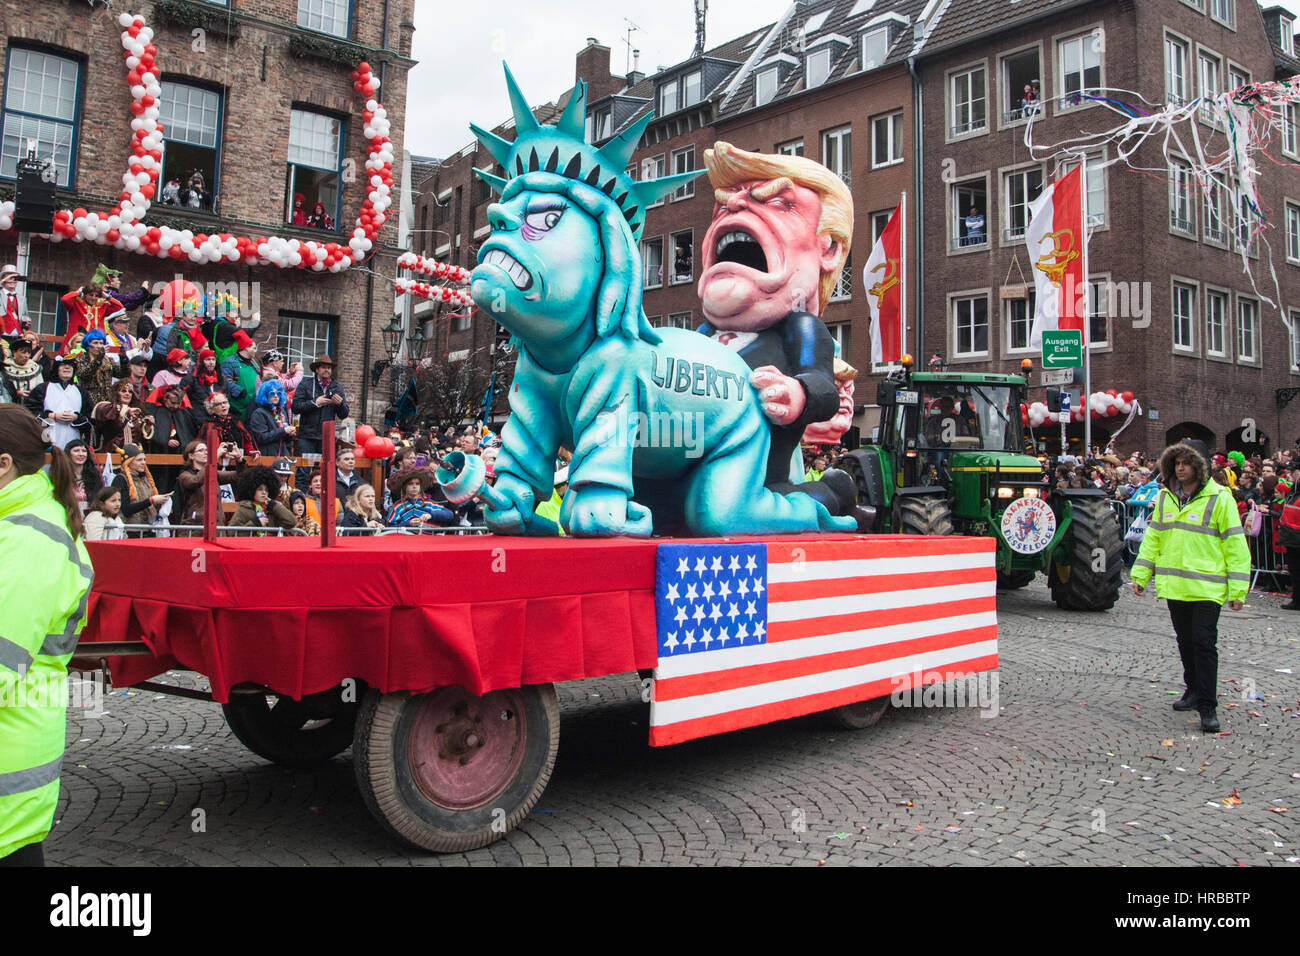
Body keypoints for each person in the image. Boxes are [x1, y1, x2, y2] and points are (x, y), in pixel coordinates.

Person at [0, 405, 94, 866]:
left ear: (3, 464)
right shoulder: (22, 523)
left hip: (9, 749)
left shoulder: (28, 537)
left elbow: (3, 661)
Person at [1131, 441, 1250, 733]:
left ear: (1198, 465)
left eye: (1185, 463)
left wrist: (1238, 590)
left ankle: (1208, 705)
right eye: (1176, 463)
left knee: (1203, 644)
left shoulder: (1220, 498)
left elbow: (1235, 545)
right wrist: (1141, 574)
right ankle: (1193, 689)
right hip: (1175, 586)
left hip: (1207, 587)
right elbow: (1153, 539)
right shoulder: (1165, 499)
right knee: (1185, 642)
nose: (1180, 468)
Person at [292, 354, 347, 487]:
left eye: (328, 367)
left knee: (326, 471)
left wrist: (340, 404)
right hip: (308, 437)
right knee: (304, 471)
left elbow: (344, 414)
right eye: (323, 367)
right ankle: (302, 501)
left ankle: (323, 502)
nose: (326, 370)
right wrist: (315, 403)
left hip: (326, 438)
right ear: (317, 369)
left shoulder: (336, 387)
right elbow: (295, 407)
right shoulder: (306, 384)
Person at [173, 438, 243, 529]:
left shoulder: (213, 473)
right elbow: (196, 480)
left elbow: (238, 476)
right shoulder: (185, 475)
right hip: (195, 529)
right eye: (201, 450)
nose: (206, 453)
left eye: (207, 450)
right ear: (191, 455)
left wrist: (239, 459)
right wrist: (213, 459)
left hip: (217, 526)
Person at [26, 356, 88, 449]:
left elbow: (89, 415)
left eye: (70, 365)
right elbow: (29, 411)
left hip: (73, 437)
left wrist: (76, 417)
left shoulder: (81, 391)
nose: (67, 367)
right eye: (63, 365)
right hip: (47, 436)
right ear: (56, 368)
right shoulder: (43, 388)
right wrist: (52, 416)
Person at [111, 443, 169, 533]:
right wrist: (151, 501)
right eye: (139, 460)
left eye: (144, 459)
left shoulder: (145, 479)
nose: (143, 463)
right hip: (130, 532)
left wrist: (161, 502)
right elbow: (126, 509)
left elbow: (147, 504)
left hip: (148, 529)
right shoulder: (120, 480)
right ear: (129, 462)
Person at [228, 465, 296, 534]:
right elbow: (231, 533)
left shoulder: (272, 509)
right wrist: (255, 524)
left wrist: (275, 506)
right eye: (260, 489)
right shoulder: (244, 510)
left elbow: (291, 522)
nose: (264, 492)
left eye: (266, 490)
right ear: (252, 490)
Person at [91, 379, 151, 454]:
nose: (127, 394)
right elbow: (100, 408)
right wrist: (126, 410)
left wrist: (148, 425)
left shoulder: (137, 413)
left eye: (130, 392)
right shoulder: (110, 409)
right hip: (113, 455)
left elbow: (142, 438)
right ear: (116, 393)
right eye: (123, 391)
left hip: (133, 458)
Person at [385, 468, 453, 529]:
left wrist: (431, 515)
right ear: (404, 487)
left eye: (417, 484)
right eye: (410, 484)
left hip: (429, 540)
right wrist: (408, 523)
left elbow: (449, 514)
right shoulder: (398, 506)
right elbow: (389, 526)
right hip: (406, 541)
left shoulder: (429, 504)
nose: (414, 486)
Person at [247, 380, 297, 458]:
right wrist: (283, 431)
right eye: (272, 393)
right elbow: (261, 437)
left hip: (282, 455)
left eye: (279, 393)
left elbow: (284, 438)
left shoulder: (281, 412)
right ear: (265, 395)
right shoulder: (259, 413)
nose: (276, 396)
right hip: (267, 456)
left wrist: (290, 434)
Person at [74, 330, 118, 412]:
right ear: (87, 345)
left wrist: (124, 359)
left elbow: (122, 374)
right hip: (89, 402)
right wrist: (98, 359)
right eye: (95, 343)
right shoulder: (81, 359)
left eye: (101, 343)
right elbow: (85, 374)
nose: (99, 346)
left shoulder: (108, 359)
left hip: (107, 402)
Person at [220, 331, 259, 421]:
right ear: (246, 348)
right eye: (254, 348)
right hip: (238, 406)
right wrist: (240, 392)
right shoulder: (229, 362)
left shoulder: (254, 362)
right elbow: (225, 381)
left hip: (253, 405)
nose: (255, 351)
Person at [63, 438, 103, 514]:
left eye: (84, 451)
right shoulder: (62, 475)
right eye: (76, 451)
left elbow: (100, 500)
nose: (81, 454)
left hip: (90, 518)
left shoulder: (94, 476)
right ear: (68, 453)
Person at [2, 337, 43, 404]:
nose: (27, 356)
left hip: (31, 407)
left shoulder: (35, 368)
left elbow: (40, 389)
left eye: (29, 352)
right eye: (23, 352)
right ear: (14, 352)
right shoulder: (5, 368)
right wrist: (16, 393)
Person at [0, 264, 29, 335]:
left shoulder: (22, 299)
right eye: (10, 277)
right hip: (2, 336)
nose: (12, 280)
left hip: (18, 336)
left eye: (15, 278)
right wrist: (2, 281)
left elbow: (25, 316)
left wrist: (26, 323)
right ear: (3, 279)